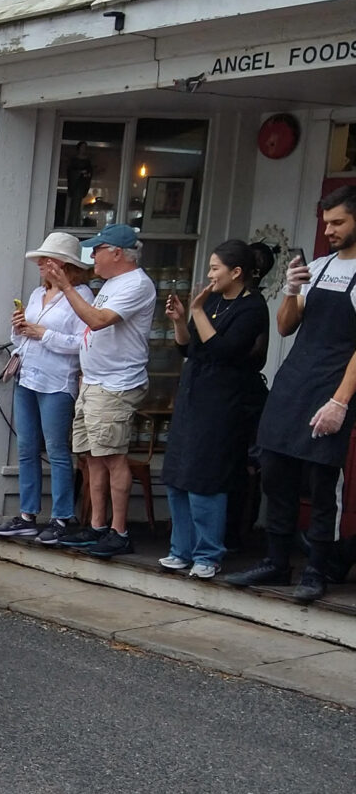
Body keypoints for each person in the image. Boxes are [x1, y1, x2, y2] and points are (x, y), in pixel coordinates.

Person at [227, 189, 356, 603]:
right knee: (276, 472)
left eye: (338, 222)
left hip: (333, 386)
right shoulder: (318, 267)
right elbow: (285, 328)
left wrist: (340, 402)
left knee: (321, 483)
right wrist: (290, 290)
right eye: (326, 222)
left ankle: (318, 570)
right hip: (292, 383)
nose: (329, 230)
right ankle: (276, 562)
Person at [158, 240, 272, 581]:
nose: (209, 275)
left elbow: (223, 350)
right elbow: (189, 348)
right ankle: (181, 549)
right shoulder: (215, 302)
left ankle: (209, 553)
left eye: (214, 268)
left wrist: (195, 310)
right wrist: (181, 320)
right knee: (178, 475)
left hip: (223, 402)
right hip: (193, 394)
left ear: (236, 272)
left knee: (206, 478)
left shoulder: (253, 307)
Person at [44, 224, 158, 559]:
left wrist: (66, 286)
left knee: (112, 456)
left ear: (117, 253)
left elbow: (97, 320)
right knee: (91, 457)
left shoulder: (137, 284)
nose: (91, 255)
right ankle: (96, 526)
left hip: (116, 383)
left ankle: (119, 531)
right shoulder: (112, 283)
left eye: (97, 249)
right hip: (95, 381)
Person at [0, 232, 88, 544]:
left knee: (58, 449)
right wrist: (18, 327)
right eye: (41, 260)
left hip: (57, 381)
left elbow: (82, 343)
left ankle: (62, 517)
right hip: (28, 376)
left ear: (65, 265)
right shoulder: (36, 294)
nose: (42, 265)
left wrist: (42, 333)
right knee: (26, 447)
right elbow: (21, 341)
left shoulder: (82, 296)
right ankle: (27, 515)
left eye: (48, 260)